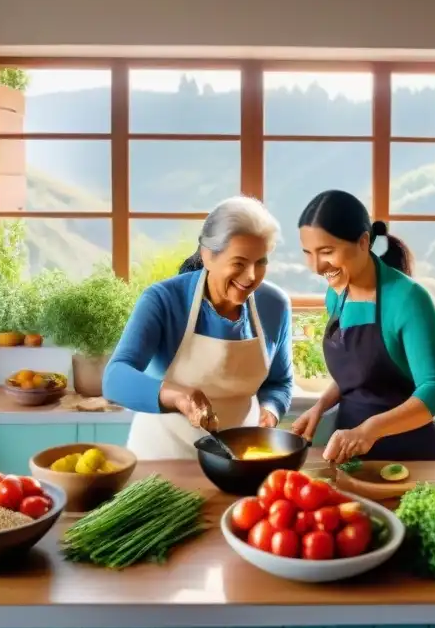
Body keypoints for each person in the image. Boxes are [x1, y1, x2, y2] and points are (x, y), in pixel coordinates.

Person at [103, 196, 294, 460]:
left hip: (237, 458)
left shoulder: (275, 306)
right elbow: (114, 379)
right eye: (239, 262)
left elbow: (279, 381)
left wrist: (270, 410)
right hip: (163, 457)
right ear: (208, 255)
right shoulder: (163, 300)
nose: (251, 276)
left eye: (261, 262)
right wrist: (178, 395)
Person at [290, 190, 435, 463]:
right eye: (308, 253)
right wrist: (320, 407)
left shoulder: (408, 298)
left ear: (364, 242)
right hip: (351, 454)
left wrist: (369, 431)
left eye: (327, 251)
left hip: (415, 456)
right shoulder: (336, 294)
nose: (316, 267)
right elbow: (357, 375)